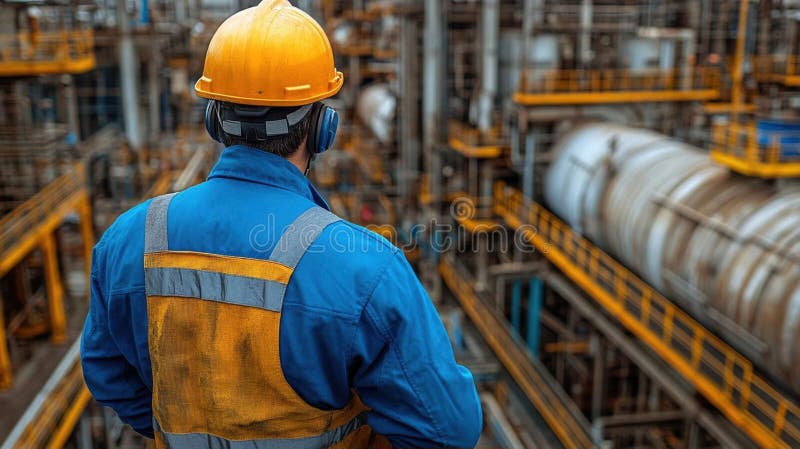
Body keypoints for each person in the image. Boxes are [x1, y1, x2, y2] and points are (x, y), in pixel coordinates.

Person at [80, 1, 483, 448]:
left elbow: (107, 373)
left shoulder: (127, 239)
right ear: (323, 128)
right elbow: (449, 431)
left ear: (213, 119)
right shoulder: (367, 270)